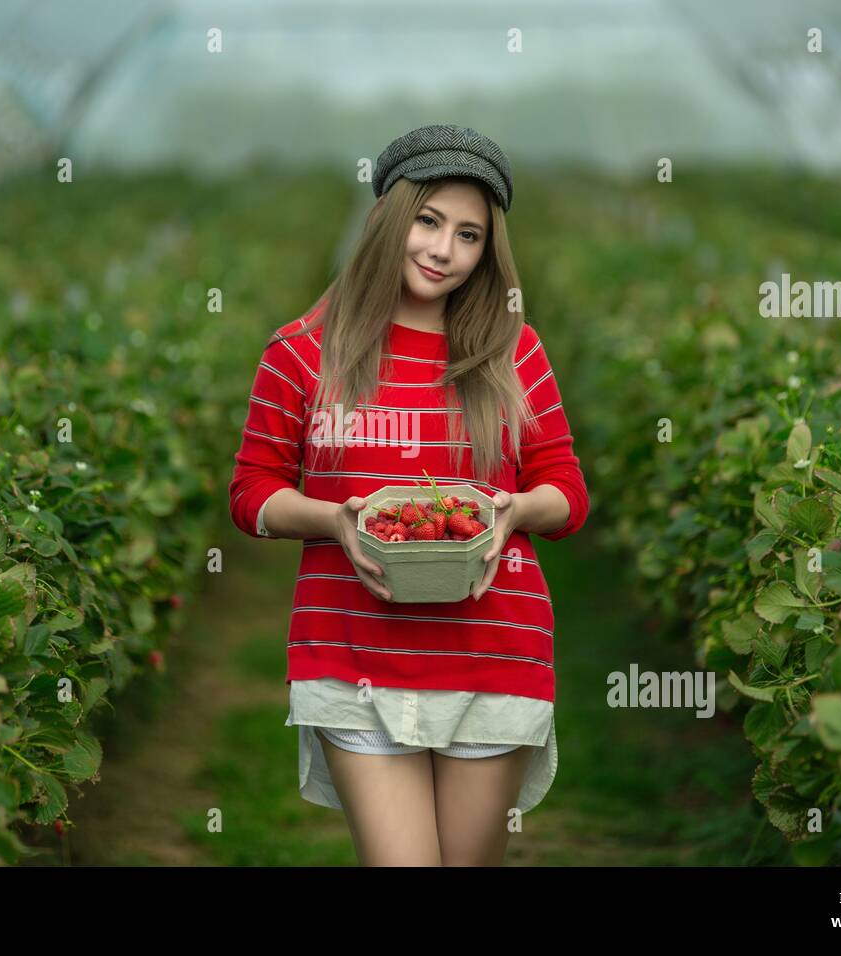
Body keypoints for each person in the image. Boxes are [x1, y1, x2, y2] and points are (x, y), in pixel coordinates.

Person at [227, 124, 590, 866]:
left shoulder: (512, 351)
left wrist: (515, 509)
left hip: (495, 650)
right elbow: (252, 492)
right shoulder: (300, 353)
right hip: (350, 649)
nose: (442, 250)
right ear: (386, 219)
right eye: (427, 222)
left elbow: (566, 489)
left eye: (468, 235)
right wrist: (334, 519)